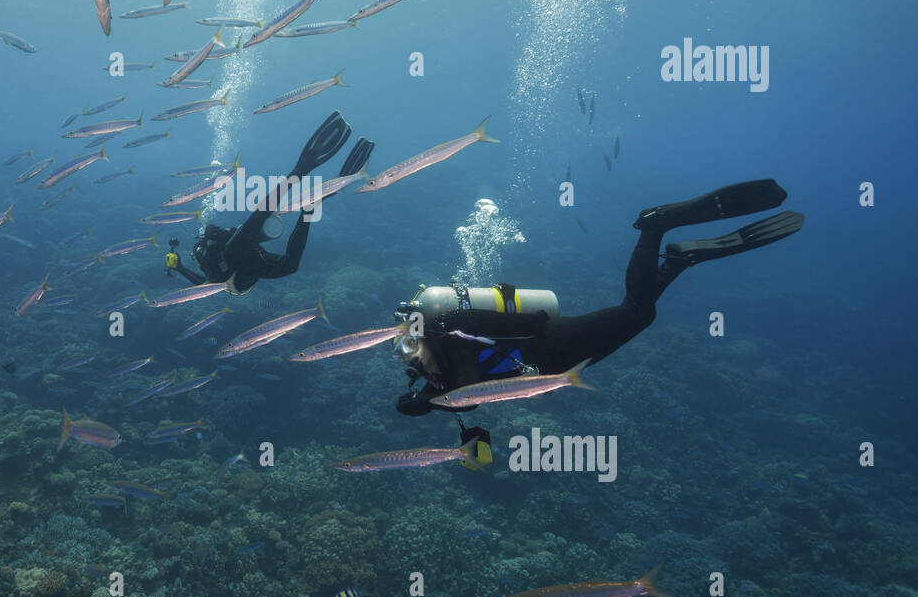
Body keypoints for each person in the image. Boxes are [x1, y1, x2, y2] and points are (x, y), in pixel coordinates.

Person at [394, 179, 805, 416]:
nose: (412, 361)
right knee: (639, 315)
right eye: (408, 359)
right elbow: (467, 403)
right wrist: (428, 398)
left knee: (637, 311)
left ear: (424, 336)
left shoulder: (453, 341)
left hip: (555, 342)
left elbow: (469, 393)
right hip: (557, 360)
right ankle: (677, 263)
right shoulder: (440, 370)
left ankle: (655, 227)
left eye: (411, 351)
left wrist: (433, 402)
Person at [165, 111, 374, 295]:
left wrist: (183, 266)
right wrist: (181, 267)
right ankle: (308, 203)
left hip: (245, 258)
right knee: (274, 242)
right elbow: (206, 285)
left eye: (197, 252)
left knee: (260, 218)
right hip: (249, 268)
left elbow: (207, 275)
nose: (199, 253)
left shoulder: (210, 248)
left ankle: (301, 172)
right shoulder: (208, 258)